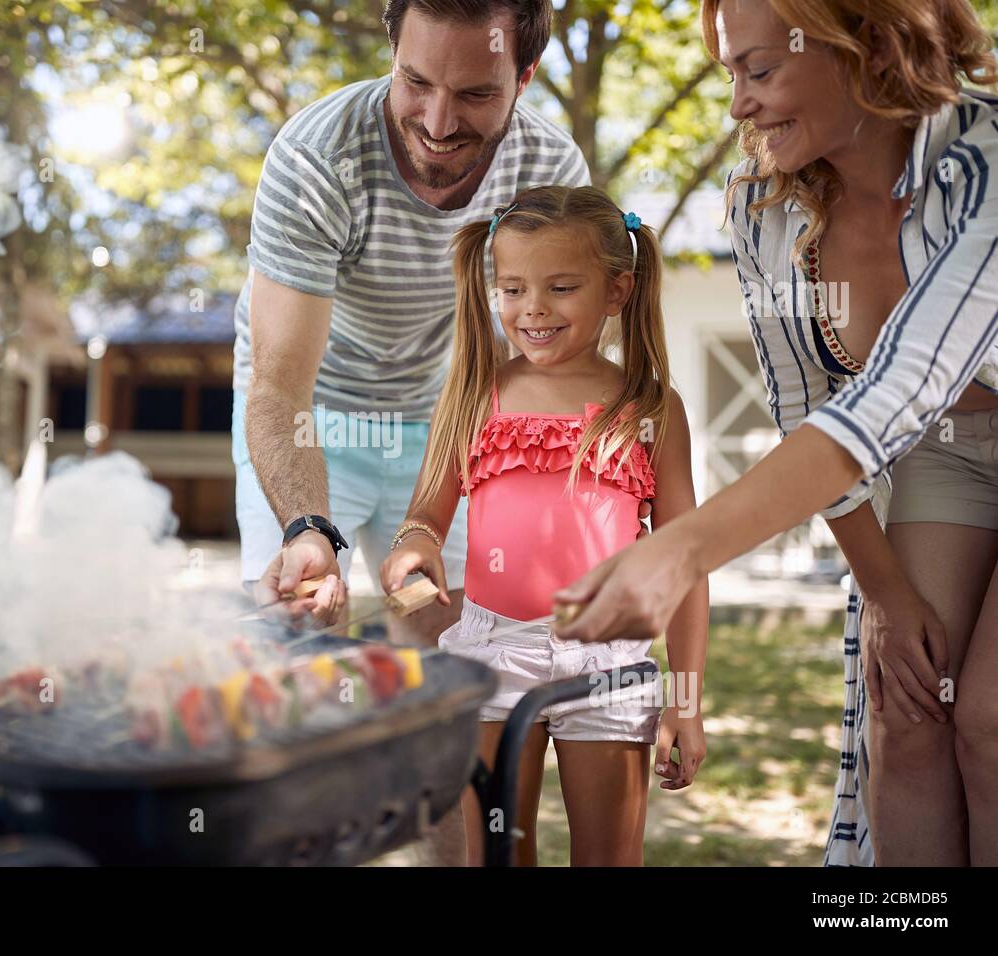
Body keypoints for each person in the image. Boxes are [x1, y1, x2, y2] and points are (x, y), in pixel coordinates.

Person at [553, 0, 998, 867]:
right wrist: (885, 593)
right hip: (940, 456)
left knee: (989, 720)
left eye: (760, 73)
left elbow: (901, 384)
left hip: (914, 417)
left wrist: (680, 551)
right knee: (906, 712)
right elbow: (803, 402)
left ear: (864, 45)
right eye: (731, 77)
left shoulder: (983, 161)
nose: (738, 106)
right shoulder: (764, 202)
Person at [237, 0, 594, 645]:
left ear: (527, 74)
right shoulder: (316, 158)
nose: (437, 122)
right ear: (393, 51)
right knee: (294, 641)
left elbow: (539, 368)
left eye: (477, 93)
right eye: (416, 82)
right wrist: (306, 528)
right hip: (311, 418)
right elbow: (279, 389)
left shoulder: (548, 173)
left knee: (460, 643)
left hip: (442, 423)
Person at [380, 185, 709, 866]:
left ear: (617, 290)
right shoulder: (474, 394)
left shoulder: (651, 408)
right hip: (493, 655)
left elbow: (686, 563)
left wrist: (687, 703)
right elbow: (423, 519)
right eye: (512, 289)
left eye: (561, 287)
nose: (532, 308)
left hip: (610, 664)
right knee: (497, 857)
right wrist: (412, 551)